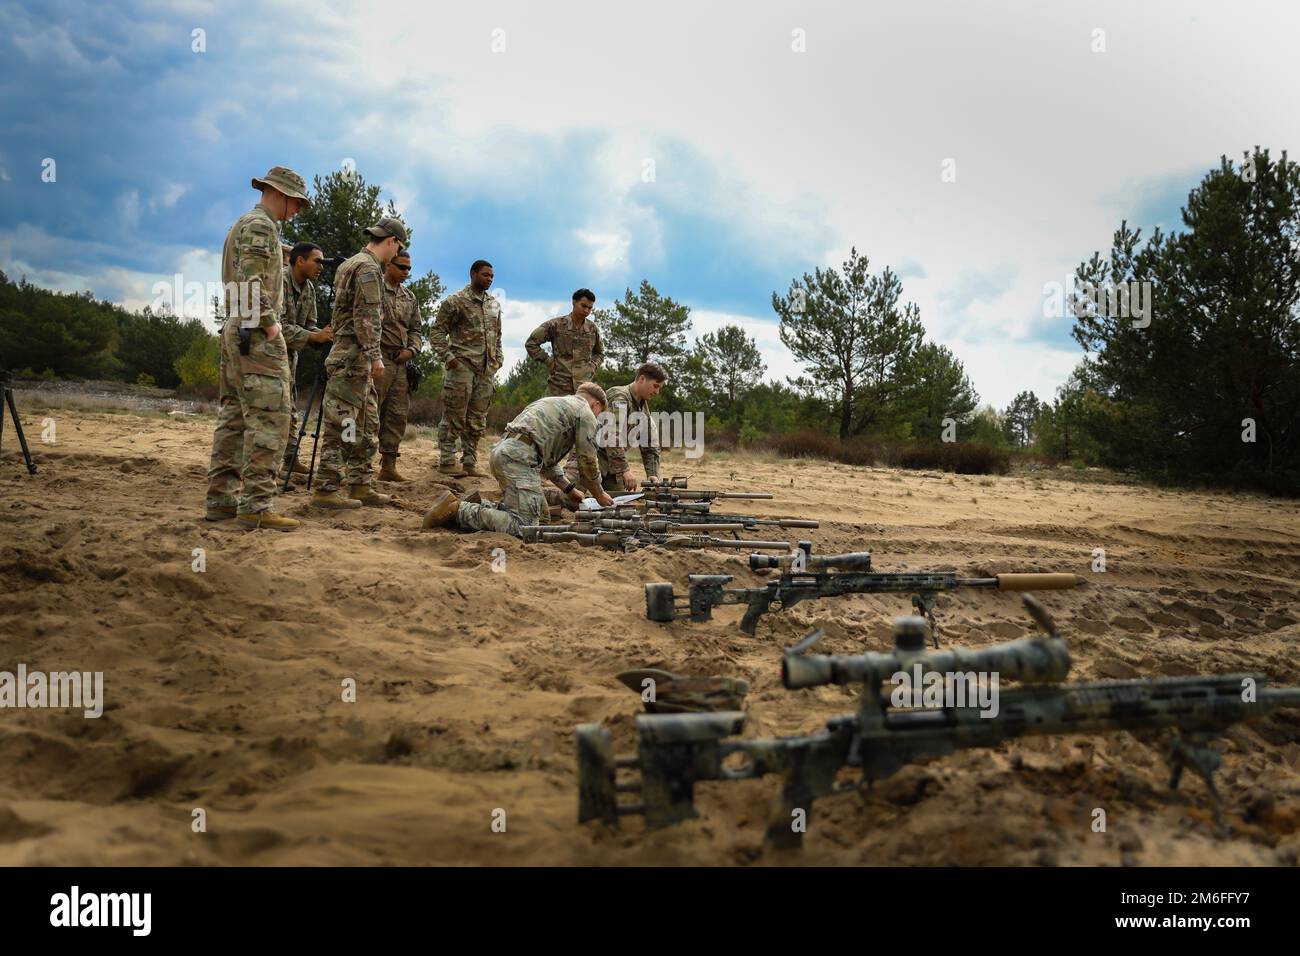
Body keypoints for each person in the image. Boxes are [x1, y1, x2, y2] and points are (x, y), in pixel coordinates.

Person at [204, 165, 310, 531]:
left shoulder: (244, 224)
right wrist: (270, 324)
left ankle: (221, 500)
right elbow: (251, 278)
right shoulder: (262, 225)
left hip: (236, 326)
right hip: (255, 331)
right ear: (279, 194)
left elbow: (249, 267)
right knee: (271, 418)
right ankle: (255, 505)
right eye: (295, 203)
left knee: (234, 417)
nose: (295, 211)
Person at [422, 382, 615, 536]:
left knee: (542, 517)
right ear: (596, 404)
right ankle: (458, 509)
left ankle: (481, 505)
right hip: (519, 460)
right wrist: (598, 493)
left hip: (506, 452)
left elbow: (546, 458)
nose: (597, 417)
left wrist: (569, 489)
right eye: (599, 413)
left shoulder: (554, 402)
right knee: (524, 527)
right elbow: (588, 459)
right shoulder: (586, 412)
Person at [312, 217, 408, 509]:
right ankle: (326, 490)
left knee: (367, 424)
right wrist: (374, 354)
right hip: (354, 358)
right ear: (391, 241)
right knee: (344, 424)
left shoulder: (349, 264)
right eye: (398, 248)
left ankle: (359, 484)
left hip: (355, 358)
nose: (397, 255)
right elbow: (365, 316)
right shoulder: (367, 267)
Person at [431, 260, 502, 476]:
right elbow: (436, 332)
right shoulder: (455, 301)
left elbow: (497, 334)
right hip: (461, 367)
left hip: (485, 370)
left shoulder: (493, 304)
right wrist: (449, 358)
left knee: (477, 420)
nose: (489, 279)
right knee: (454, 416)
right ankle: (446, 462)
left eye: (491, 276)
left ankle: (470, 463)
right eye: (485, 275)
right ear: (472, 274)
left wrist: (498, 358)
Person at [280, 241, 332, 476]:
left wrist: (323, 334)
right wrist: (313, 335)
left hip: (290, 356)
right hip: (267, 353)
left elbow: (309, 324)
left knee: (289, 408)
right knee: (275, 409)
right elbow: (277, 325)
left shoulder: (309, 289)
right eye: (317, 261)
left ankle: (290, 459)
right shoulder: (278, 282)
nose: (321, 267)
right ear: (300, 260)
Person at [376, 249, 423, 482]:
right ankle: (356, 464)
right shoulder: (375, 289)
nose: (406, 272)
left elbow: (416, 329)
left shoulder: (410, 297)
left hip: (401, 363)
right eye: (402, 267)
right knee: (370, 412)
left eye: (409, 268)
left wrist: (411, 350)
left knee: (396, 415)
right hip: (378, 357)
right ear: (389, 265)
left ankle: (388, 466)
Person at [598, 362, 666, 492]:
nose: (657, 392)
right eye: (655, 386)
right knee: (571, 499)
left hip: (611, 467)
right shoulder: (620, 397)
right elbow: (612, 436)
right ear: (641, 379)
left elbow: (649, 443)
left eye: (659, 388)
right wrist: (624, 469)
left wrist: (652, 474)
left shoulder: (642, 407)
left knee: (617, 502)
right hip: (589, 460)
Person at [524, 289, 603, 397]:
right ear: (574, 302)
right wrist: (549, 361)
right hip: (558, 388)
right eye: (583, 306)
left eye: (590, 308)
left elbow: (600, 353)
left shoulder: (592, 329)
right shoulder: (556, 325)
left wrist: (593, 367)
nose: (586, 311)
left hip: (583, 390)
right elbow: (531, 343)